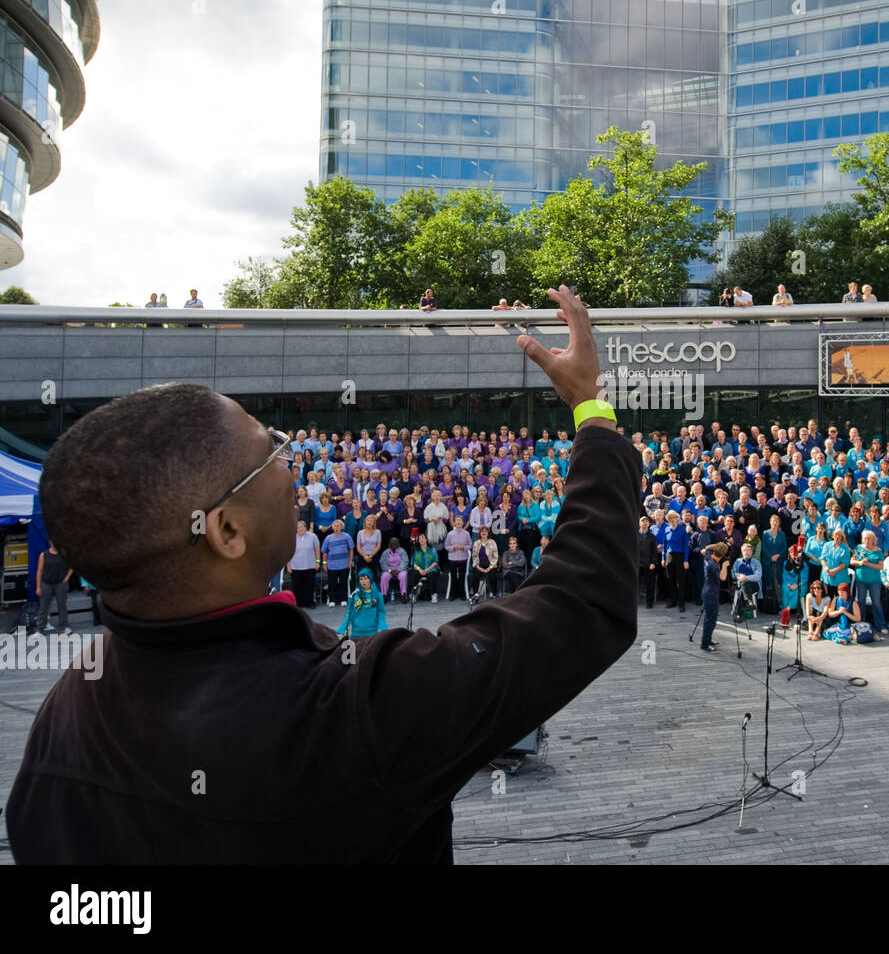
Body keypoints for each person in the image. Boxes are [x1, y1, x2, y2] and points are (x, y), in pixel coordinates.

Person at [8, 284, 640, 863]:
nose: (294, 467)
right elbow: (580, 601)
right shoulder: (353, 712)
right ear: (226, 531)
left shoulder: (62, 729)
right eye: (273, 452)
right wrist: (590, 408)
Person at [35, 540, 74, 635]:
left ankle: (64, 626)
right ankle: (40, 629)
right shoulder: (44, 555)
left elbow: (73, 565)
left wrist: (67, 577)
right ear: (50, 542)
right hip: (46, 583)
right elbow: (39, 571)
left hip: (60, 583)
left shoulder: (64, 554)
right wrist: (38, 587)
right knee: (43, 606)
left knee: (62, 605)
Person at [338, 568, 388, 638]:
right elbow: (349, 614)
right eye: (361, 579)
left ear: (370, 579)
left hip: (372, 634)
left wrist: (384, 629)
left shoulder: (378, 595)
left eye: (366, 579)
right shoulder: (354, 595)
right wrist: (341, 630)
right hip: (356, 635)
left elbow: (381, 614)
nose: (363, 581)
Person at [700, 542, 728, 652]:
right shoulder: (715, 566)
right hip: (711, 594)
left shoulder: (708, 557)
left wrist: (718, 545)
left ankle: (708, 639)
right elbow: (723, 577)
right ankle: (705, 644)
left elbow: (707, 547)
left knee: (712, 618)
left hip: (706, 590)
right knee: (710, 619)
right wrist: (725, 566)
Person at [286, 521, 320, 609]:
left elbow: (317, 549)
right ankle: (298, 603)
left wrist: (317, 562)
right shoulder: (291, 538)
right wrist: (288, 565)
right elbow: (288, 553)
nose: (300, 529)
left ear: (306, 527)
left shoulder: (313, 536)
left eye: (302, 527)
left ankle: (309, 602)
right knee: (297, 585)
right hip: (296, 566)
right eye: (298, 527)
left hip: (310, 565)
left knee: (309, 585)